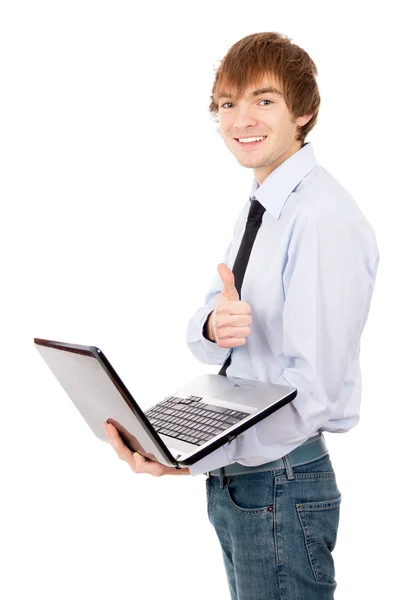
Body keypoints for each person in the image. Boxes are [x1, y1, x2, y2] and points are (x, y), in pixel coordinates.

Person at [103, 31, 379, 599]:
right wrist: (213, 326)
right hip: (249, 481)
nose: (241, 118)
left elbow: (316, 392)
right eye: (228, 103)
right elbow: (208, 324)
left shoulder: (320, 217)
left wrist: (196, 454)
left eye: (263, 99)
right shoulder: (264, 204)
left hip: (280, 479)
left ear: (303, 111)